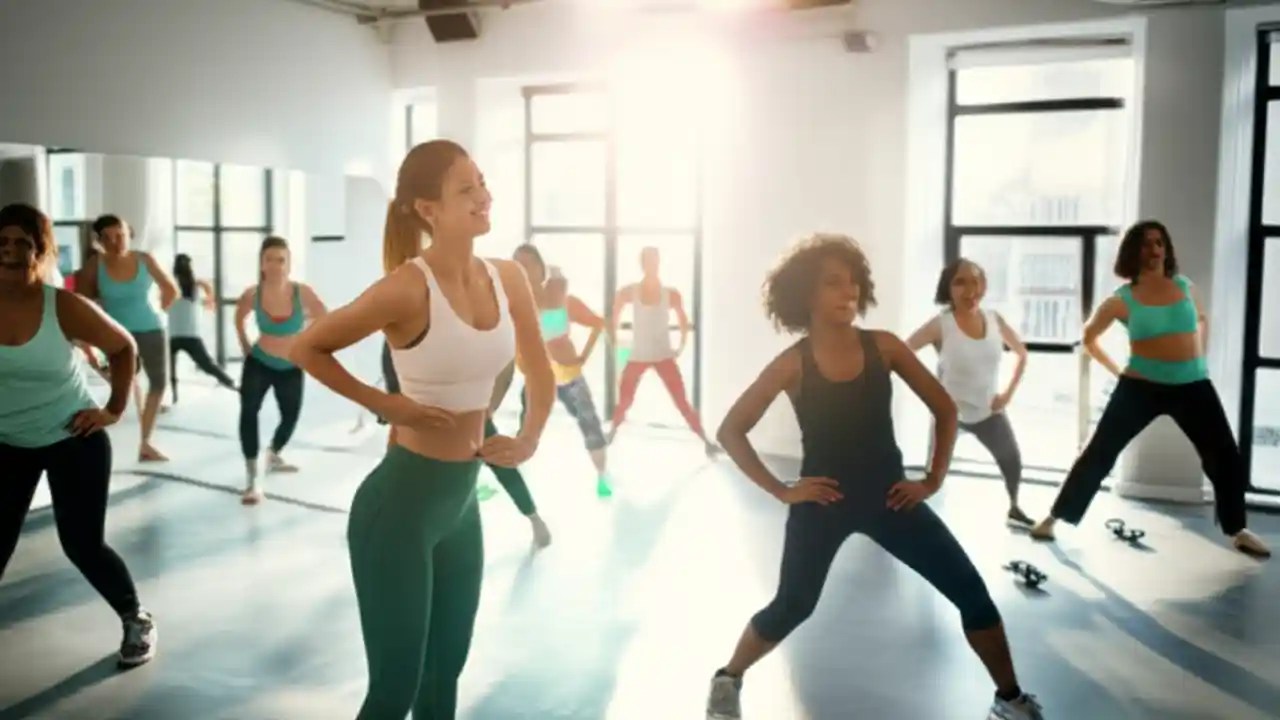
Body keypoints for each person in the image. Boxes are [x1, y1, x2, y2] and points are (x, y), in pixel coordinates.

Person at [705, 234, 1043, 720]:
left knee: (972, 592)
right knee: (792, 606)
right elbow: (730, 430)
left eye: (853, 282)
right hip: (823, 503)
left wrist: (931, 480)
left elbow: (945, 408)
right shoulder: (791, 364)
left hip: (892, 498)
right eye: (832, 283)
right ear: (805, 294)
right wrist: (782, 490)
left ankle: (1010, 700)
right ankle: (728, 678)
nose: (848, 292)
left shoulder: (884, 346)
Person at [289, 140, 554, 719]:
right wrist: (390, 405)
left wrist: (530, 437)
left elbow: (540, 371)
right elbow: (309, 346)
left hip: (462, 506)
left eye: (482, 182)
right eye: (467, 188)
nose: (484, 196)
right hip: (399, 509)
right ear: (427, 209)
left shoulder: (509, 278)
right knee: (395, 690)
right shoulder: (407, 287)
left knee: (443, 680)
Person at [1030, 221, 1270, 557]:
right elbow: (1088, 338)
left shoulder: (1186, 286)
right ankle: (1054, 517)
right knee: (1098, 453)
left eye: (1159, 243)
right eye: (1145, 244)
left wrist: (1199, 358)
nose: (1154, 250)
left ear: (1166, 249)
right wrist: (1116, 370)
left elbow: (1201, 319)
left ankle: (1238, 530)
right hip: (1140, 388)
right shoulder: (1121, 300)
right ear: (1133, 252)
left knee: (1225, 457)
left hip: (1193, 386)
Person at [0, 203, 157, 669]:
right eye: (1, 243)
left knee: (82, 543)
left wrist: (112, 409)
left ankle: (136, 618)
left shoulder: (61, 305)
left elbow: (123, 347)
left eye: (21, 244)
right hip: (8, 441)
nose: (9, 252)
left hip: (73, 436)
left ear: (40, 251)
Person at [379, 274, 552, 549]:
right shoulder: (409, 310)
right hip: (419, 408)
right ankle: (395, 520)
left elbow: (504, 367)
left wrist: (487, 407)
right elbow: (392, 358)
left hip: (468, 408)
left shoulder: (481, 309)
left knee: (499, 461)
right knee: (400, 462)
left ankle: (533, 517)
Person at [906, 258, 1032, 525]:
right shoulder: (941, 324)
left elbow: (1021, 354)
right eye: (960, 282)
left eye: (975, 281)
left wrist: (1007, 395)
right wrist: (930, 391)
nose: (969, 289)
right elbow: (903, 353)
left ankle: (1014, 508)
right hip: (950, 413)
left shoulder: (994, 319)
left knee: (1012, 461)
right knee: (933, 477)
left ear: (983, 285)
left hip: (988, 410)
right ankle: (912, 520)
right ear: (948, 289)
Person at [512, 246, 613, 498]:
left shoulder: (561, 300)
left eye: (528, 264)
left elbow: (598, 324)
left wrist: (583, 356)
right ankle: (509, 480)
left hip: (569, 377)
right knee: (525, 432)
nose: (522, 269)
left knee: (590, 425)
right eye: (517, 264)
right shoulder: (515, 304)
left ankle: (602, 476)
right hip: (537, 377)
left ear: (540, 267)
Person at [232, 236, 327, 505]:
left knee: (290, 416)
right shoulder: (253, 294)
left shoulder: (302, 292)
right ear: (262, 263)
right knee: (248, 412)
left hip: (292, 365)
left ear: (288, 263)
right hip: (259, 362)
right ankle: (253, 480)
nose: (275, 265)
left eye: (280, 260)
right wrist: (243, 343)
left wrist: (308, 342)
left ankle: (273, 453)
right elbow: (239, 316)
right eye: (269, 259)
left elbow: (325, 317)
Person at [76, 214, 178, 462]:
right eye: (108, 237)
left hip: (151, 329)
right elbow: (82, 304)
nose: (115, 241)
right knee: (124, 383)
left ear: (128, 233)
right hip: (117, 335)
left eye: (119, 235)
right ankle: (118, 437)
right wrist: (89, 343)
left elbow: (170, 289)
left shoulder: (144, 259)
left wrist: (158, 312)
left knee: (158, 384)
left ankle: (146, 443)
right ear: (99, 240)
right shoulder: (94, 266)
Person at [609, 246, 716, 455]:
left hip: (663, 355)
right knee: (624, 400)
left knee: (681, 402)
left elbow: (683, 319)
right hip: (638, 355)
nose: (650, 265)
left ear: (658, 263)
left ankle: (705, 441)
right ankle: (611, 432)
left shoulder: (671, 294)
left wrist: (681, 345)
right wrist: (614, 336)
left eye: (653, 261)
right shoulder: (630, 291)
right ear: (642, 264)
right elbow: (616, 309)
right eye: (647, 261)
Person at [167, 253, 236, 403]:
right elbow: (209, 291)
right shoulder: (196, 285)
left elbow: (163, 303)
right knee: (207, 364)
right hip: (191, 333)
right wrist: (209, 302)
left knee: (169, 369)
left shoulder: (170, 284)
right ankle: (230, 382)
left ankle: (173, 396)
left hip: (172, 334)